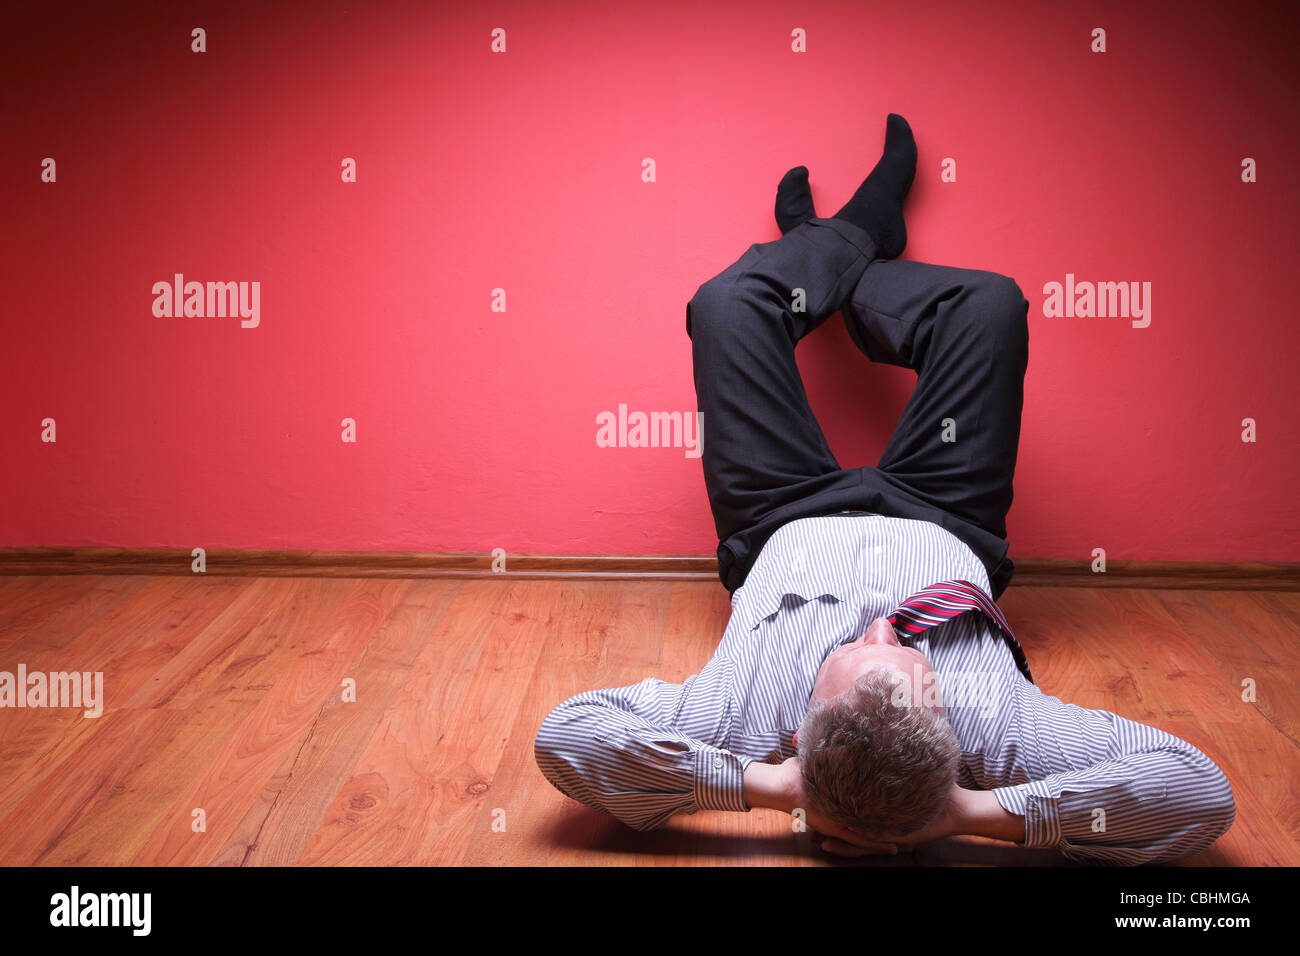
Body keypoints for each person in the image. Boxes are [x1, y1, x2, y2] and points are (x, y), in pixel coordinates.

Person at [534, 114, 1236, 863]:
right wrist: (971, 812)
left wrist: (768, 789)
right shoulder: (996, 727)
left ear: (801, 731)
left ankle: (828, 243)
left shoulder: (738, 719)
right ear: (944, 726)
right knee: (989, 305)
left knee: (725, 305)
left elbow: (568, 738)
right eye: (910, 657)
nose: (880, 628)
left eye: (853, 653)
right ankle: (854, 235)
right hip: (944, 513)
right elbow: (1198, 789)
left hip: (782, 515)